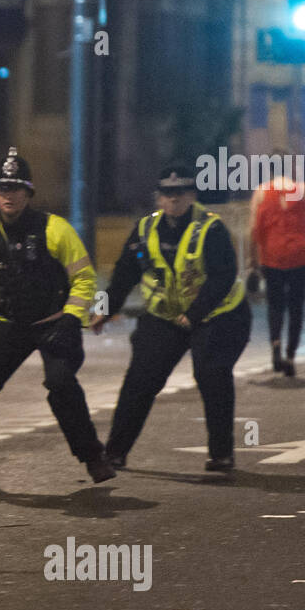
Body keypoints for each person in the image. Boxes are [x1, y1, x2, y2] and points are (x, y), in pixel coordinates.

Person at [0, 148, 115, 487]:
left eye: (16, 188)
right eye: (2, 189)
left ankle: (94, 457)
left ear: (28, 193)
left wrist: (71, 318)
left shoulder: (55, 229)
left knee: (60, 383)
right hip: (10, 325)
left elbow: (84, 278)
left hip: (54, 322)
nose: (9, 195)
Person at [90, 164, 251, 473]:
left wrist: (193, 315)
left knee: (211, 374)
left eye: (180, 193)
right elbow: (123, 275)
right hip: (165, 316)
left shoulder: (211, 228)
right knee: (140, 378)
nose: (174, 200)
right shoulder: (145, 229)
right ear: (158, 198)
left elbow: (223, 278)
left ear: (191, 195)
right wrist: (104, 309)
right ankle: (114, 453)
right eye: (168, 194)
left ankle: (221, 454)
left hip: (218, 315)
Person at [249, 155, 305, 377]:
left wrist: (252, 262)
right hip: (299, 253)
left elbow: (254, 230)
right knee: (297, 306)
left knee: (275, 304)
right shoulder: (302, 189)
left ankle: (276, 344)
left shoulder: (262, 192)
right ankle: (291, 355)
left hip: (272, 254)